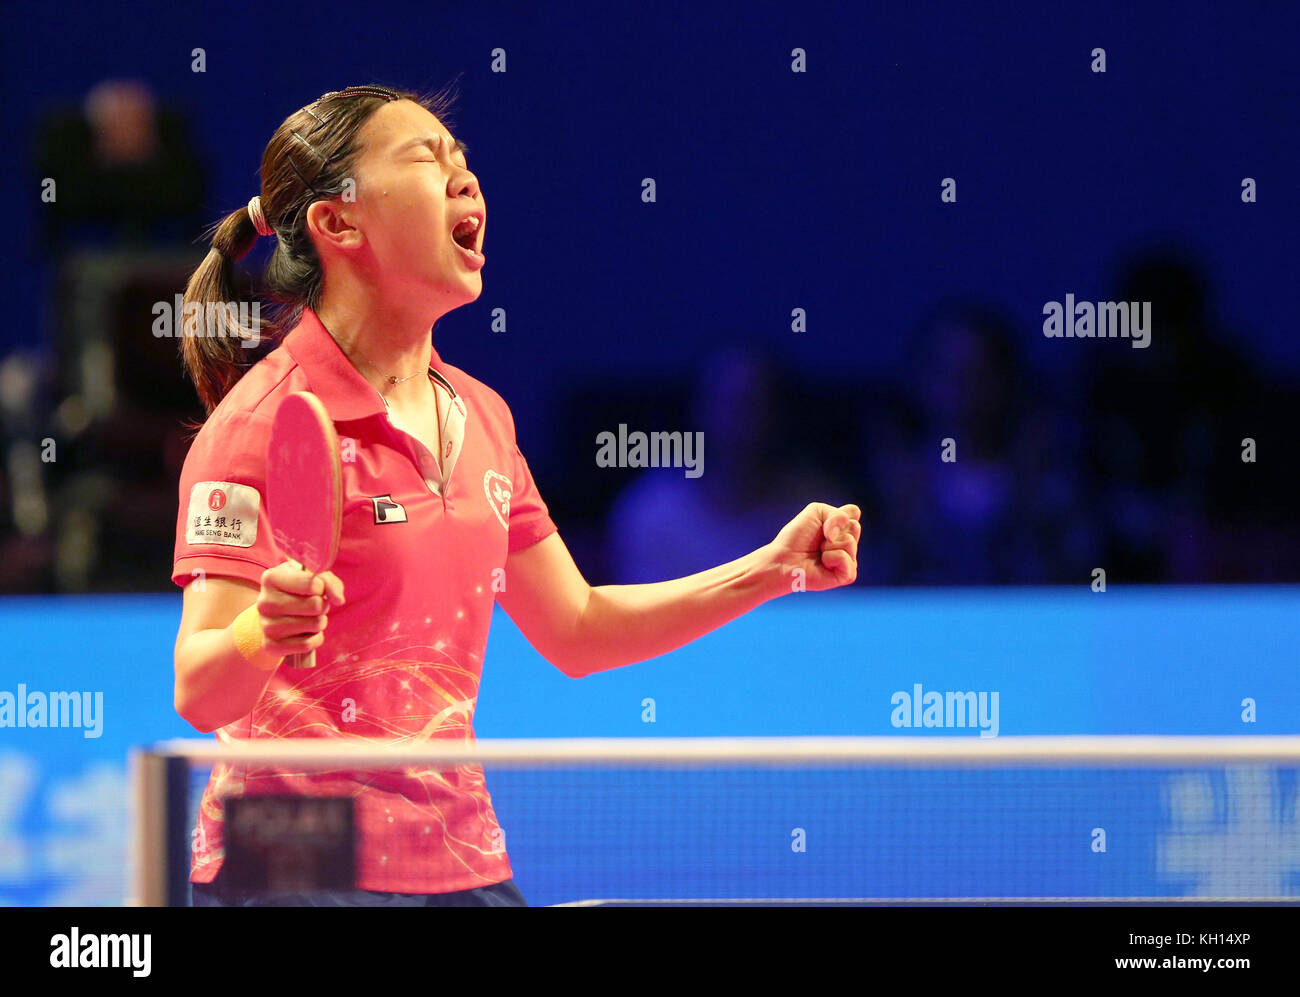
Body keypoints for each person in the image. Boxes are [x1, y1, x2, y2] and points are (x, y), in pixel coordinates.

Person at [172, 84, 861, 907]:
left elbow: (578, 629)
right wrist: (262, 627)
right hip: (297, 864)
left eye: (465, 163)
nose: (466, 181)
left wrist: (771, 568)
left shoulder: (483, 419)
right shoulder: (263, 420)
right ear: (340, 222)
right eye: (429, 160)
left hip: (456, 855)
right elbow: (198, 689)